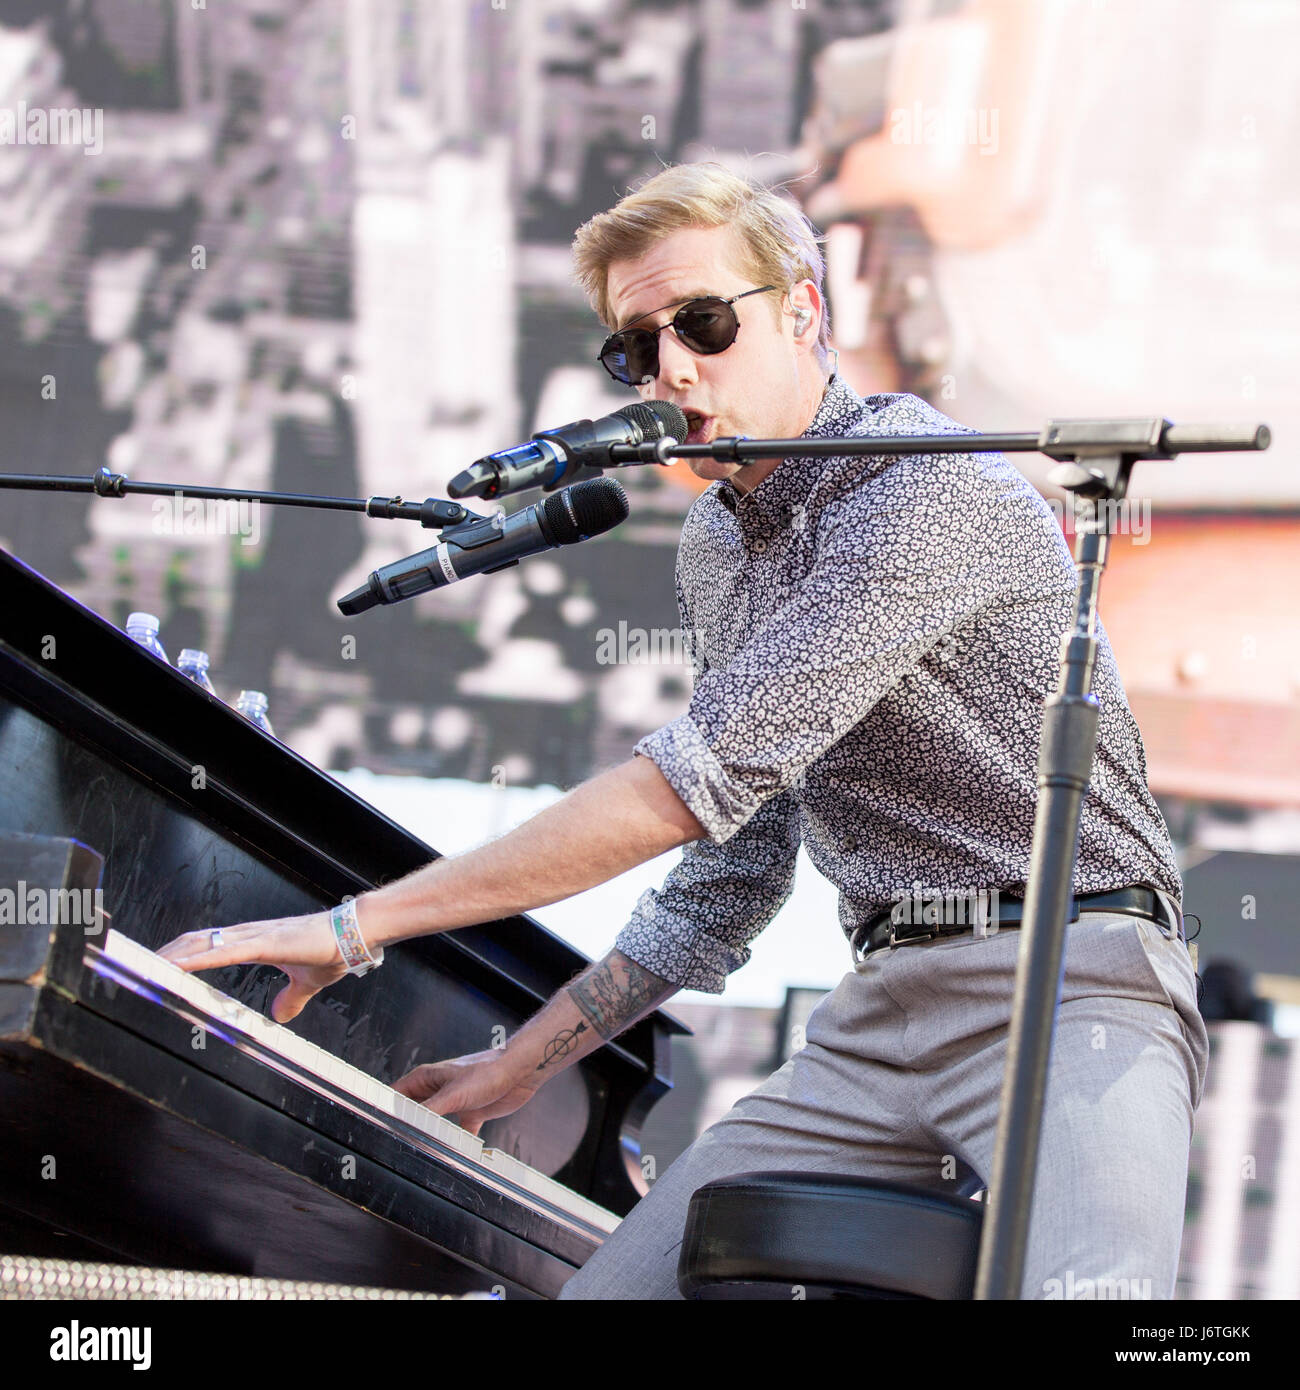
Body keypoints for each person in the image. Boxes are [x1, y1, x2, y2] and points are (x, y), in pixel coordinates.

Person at [159, 161, 1208, 1301]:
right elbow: (732, 865)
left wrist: (357, 926)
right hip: (883, 1011)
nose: (670, 366)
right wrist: (522, 1065)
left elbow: (684, 786)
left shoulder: (924, 487)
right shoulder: (714, 544)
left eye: (704, 321)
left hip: (1077, 985)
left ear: (804, 307)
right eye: (636, 345)